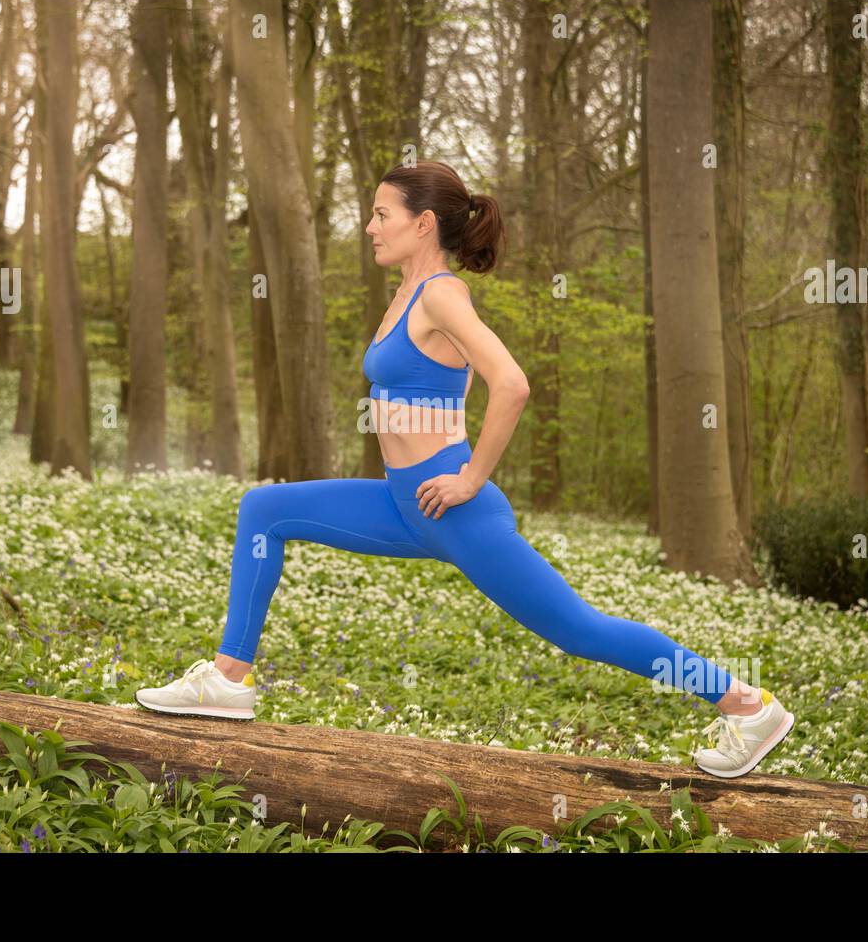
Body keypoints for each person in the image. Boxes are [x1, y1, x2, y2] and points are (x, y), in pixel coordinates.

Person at [136, 159, 794, 779]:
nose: (369, 226)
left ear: (423, 223)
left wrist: (470, 476)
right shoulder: (406, 294)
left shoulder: (442, 295)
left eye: (381, 213)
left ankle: (746, 707)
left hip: (452, 508)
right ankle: (227, 680)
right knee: (264, 510)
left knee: (578, 629)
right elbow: (442, 383)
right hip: (403, 503)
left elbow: (511, 382)